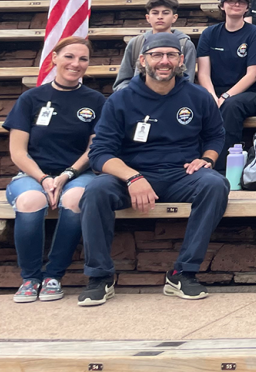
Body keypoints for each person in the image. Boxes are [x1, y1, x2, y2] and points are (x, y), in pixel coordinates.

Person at [78, 32, 228, 306]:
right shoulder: (120, 100)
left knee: (215, 184)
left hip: (181, 175)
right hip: (130, 176)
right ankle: (100, 277)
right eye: (157, 55)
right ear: (142, 60)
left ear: (181, 60)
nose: (164, 61)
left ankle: (183, 273)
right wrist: (133, 177)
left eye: (171, 55)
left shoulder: (198, 96)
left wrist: (207, 159)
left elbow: (215, 135)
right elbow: (100, 153)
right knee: (96, 190)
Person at [4, 37, 103, 302]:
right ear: (54, 58)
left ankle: (53, 277)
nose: (76, 64)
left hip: (78, 175)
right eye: (69, 56)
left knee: (76, 198)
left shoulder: (95, 100)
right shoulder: (31, 98)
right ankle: (30, 278)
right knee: (30, 200)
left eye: (83, 59)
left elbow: (94, 149)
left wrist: (67, 174)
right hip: (32, 175)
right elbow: (18, 152)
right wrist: (44, 178)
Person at [196, 0, 256, 163]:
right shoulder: (209, 33)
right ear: (222, 6)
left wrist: (226, 96)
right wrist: (212, 96)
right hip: (215, 89)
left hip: (248, 91)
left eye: (241, 1)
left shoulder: (255, 33)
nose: (236, 4)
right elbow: (203, 73)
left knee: (230, 106)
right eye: (231, 0)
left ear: (247, 8)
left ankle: (221, 165)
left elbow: (253, 75)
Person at [113, 0, 197, 92]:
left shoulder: (185, 44)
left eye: (165, 13)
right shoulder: (136, 43)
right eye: (155, 13)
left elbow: (188, 82)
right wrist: (135, 94)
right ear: (148, 17)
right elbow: (122, 82)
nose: (160, 17)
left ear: (174, 17)